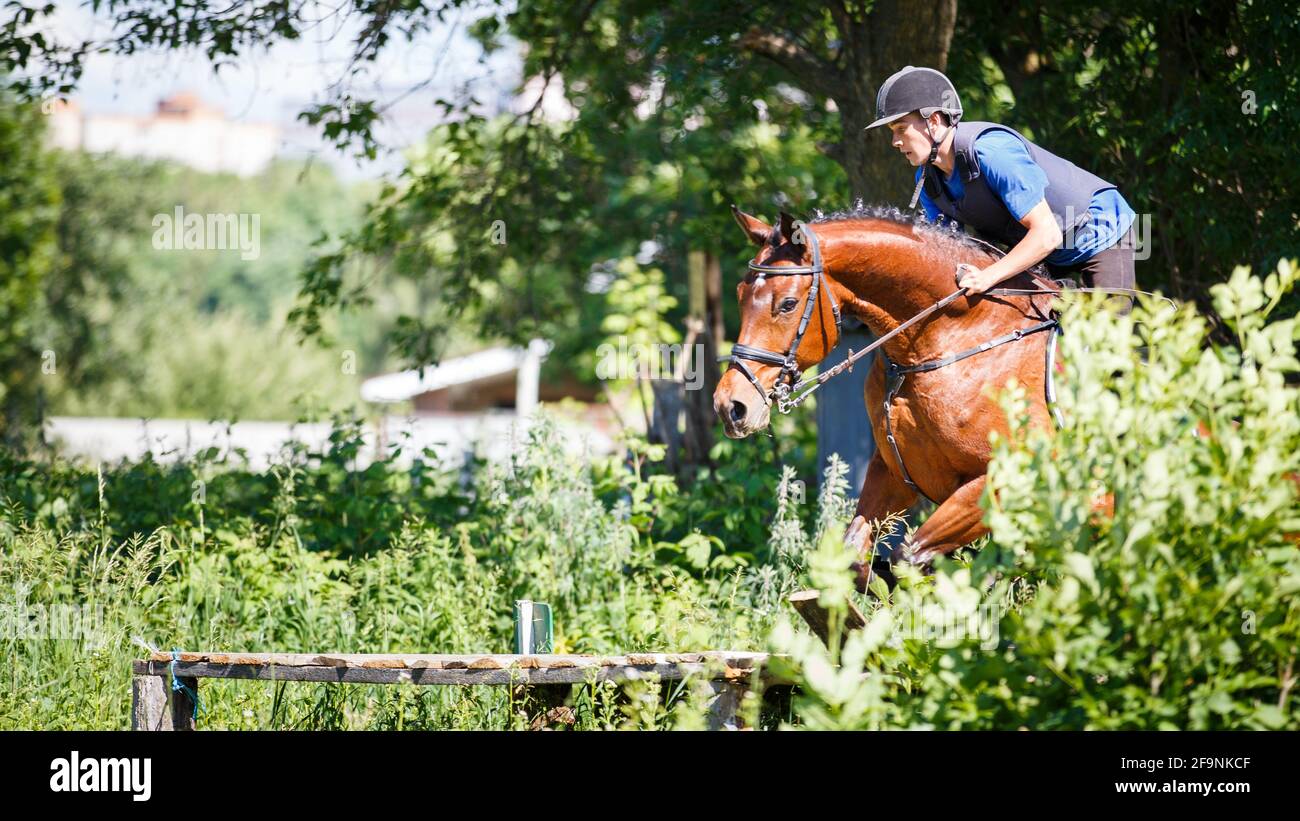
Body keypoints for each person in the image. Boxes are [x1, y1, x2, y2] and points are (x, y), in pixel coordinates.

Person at [864, 66, 1137, 297]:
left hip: (1100, 232)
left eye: (901, 129)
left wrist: (987, 276)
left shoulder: (992, 152)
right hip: (1045, 252)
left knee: (1104, 345)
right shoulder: (928, 180)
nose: (895, 142)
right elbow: (946, 250)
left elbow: (1047, 234)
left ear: (933, 121)